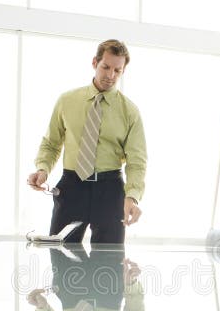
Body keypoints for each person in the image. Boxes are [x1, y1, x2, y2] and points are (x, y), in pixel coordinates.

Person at [27, 39, 147, 244]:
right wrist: (43, 169)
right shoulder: (66, 101)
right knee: (60, 254)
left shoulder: (130, 111)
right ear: (94, 62)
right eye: (105, 67)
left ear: (123, 71)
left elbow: (137, 161)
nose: (110, 75)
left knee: (109, 261)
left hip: (110, 191)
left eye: (117, 70)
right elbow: (51, 143)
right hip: (72, 187)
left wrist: (132, 197)